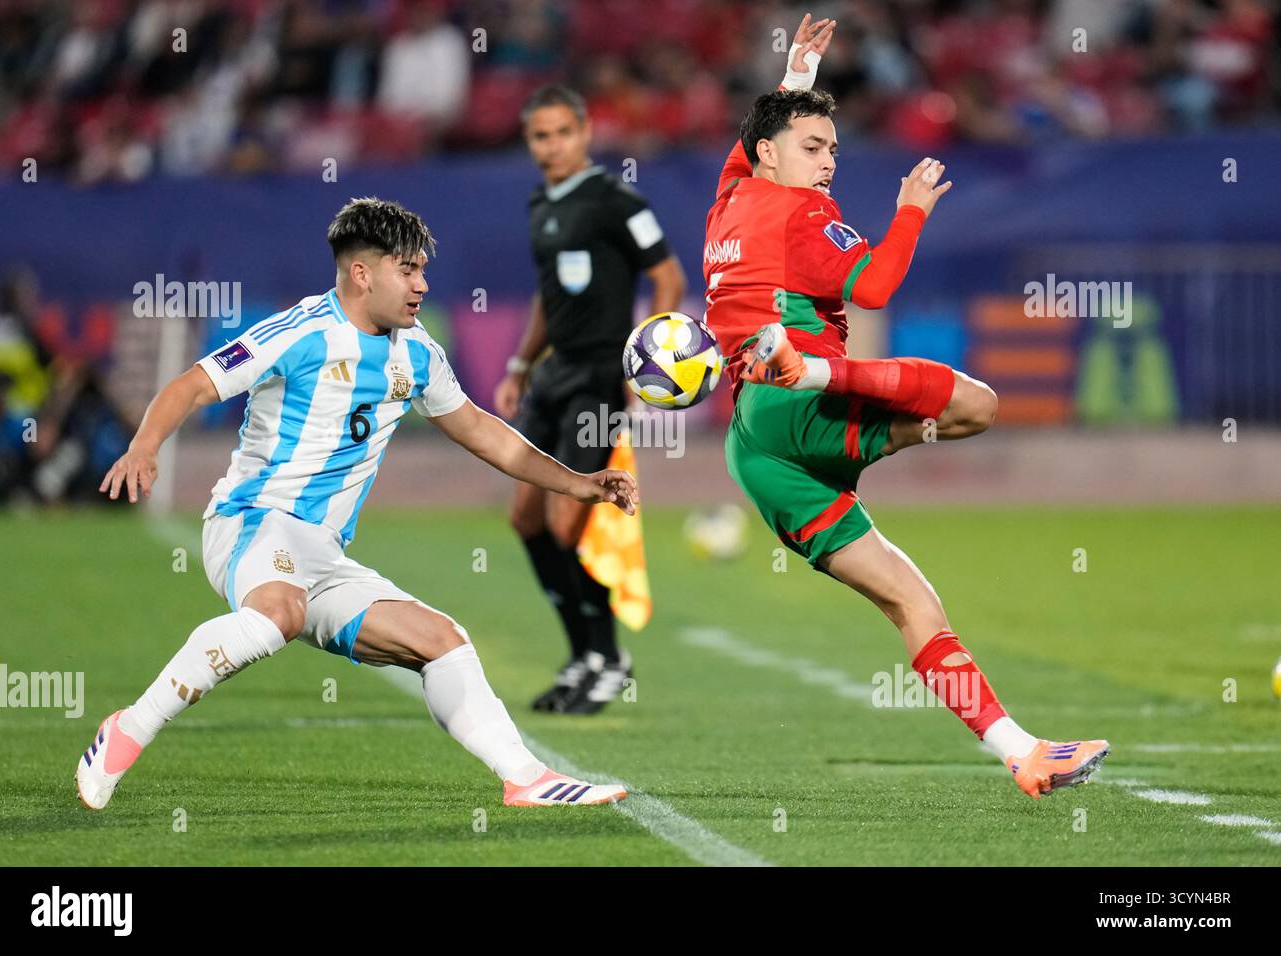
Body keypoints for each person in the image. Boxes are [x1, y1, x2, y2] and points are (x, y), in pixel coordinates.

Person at [77, 198, 637, 811]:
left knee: (441, 641)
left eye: (423, 270)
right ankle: (128, 730)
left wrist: (578, 482)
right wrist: (144, 447)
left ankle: (526, 777)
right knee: (279, 613)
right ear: (361, 274)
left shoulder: (417, 353)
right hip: (252, 525)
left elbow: (482, 430)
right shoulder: (300, 333)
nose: (422, 284)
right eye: (408, 269)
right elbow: (191, 385)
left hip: (322, 552)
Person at [705, 16, 1108, 800]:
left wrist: (795, 74)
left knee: (910, 601)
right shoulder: (803, 214)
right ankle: (818, 374)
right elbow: (878, 286)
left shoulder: (728, 203)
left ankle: (1023, 753)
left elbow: (750, 140)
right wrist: (913, 207)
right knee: (977, 405)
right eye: (813, 149)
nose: (826, 165)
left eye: (832, 150)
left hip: (757, 450)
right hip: (806, 404)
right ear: (771, 157)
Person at [494, 84, 686, 714]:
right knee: (524, 519)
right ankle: (584, 655)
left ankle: (609, 657)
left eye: (560, 133)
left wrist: (649, 357)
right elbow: (550, 297)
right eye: (538, 136)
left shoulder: (615, 199)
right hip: (553, 375)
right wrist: (522, 364)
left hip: (600, 379)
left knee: (565, 520)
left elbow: (668, 276)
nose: (550, 146)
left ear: (585, 133)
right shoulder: (537, 204)